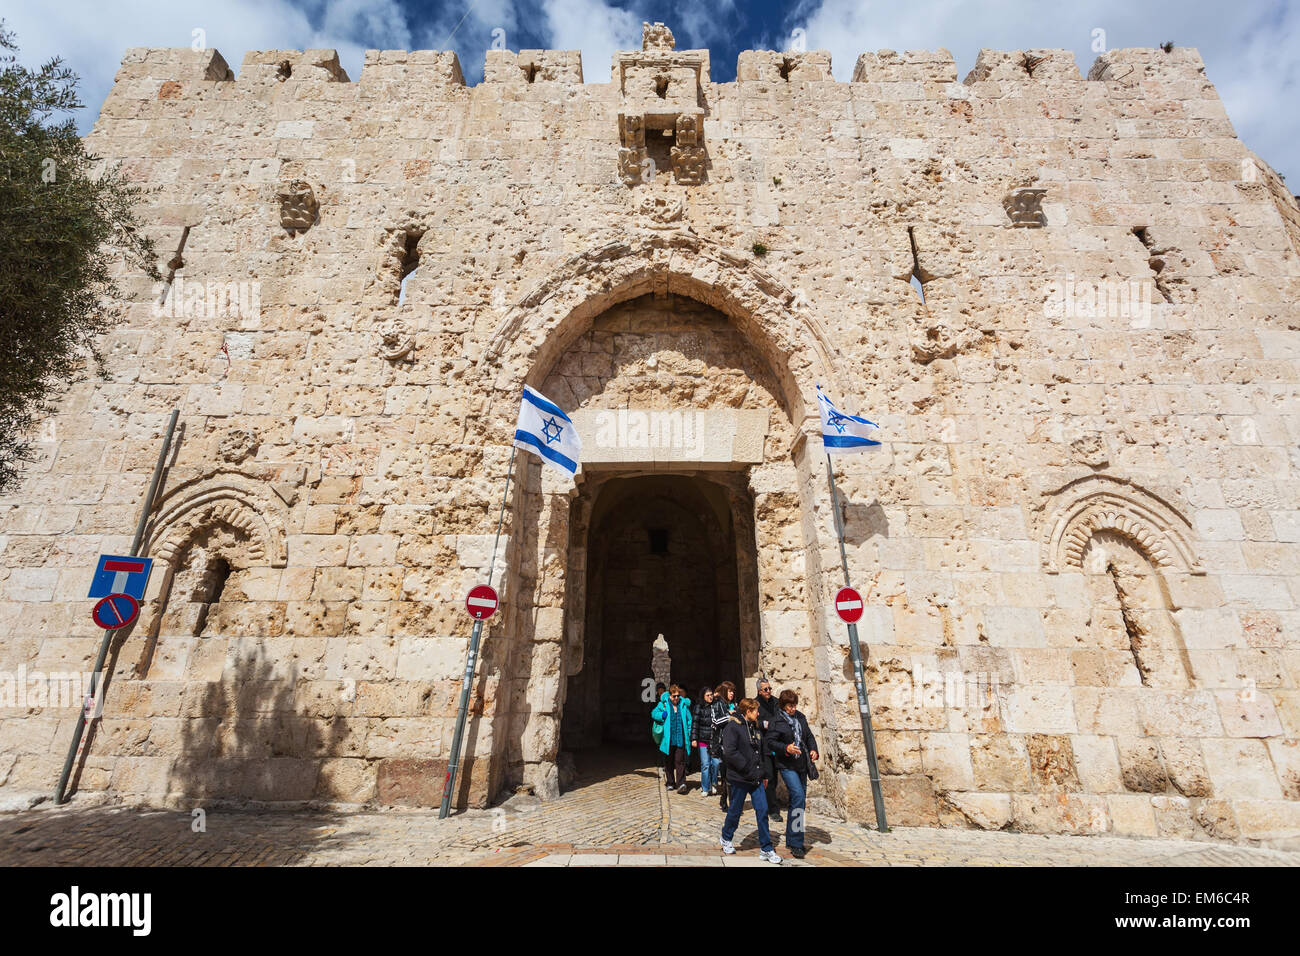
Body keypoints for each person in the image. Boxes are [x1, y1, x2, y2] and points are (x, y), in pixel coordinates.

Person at [719, 698, 781, 864]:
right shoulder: (732, 727)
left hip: (756, 778)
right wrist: (747, 768)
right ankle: (726, 837)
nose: (758, 714)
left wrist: (764, 774)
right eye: (755, 711)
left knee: (762, 811)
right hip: (740, 777)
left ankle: (766, 848)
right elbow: (730, 752)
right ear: (747, 711)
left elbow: (760, 752)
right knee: (735, 810)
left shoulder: (754, 727)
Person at [766, 689, 820, 859]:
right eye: (789, 705)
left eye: (794, 705)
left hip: (801, 764)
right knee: (797, 796)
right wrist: (786, 748)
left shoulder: (800, 717)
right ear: (783, 706)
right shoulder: (777, 721)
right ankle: (797, 843)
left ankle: (792, 837)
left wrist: (813, 749)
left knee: (799, 802)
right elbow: (770, 742)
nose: (793, 708)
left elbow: (809, 736)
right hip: (786, 765)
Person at [651, 684, 693, 793]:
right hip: (668, 739)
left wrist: (688, 733)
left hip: (680, 738)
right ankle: (670, 782)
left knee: (680, 761)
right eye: (674, 696)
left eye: (678, 696)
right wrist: (662, 715)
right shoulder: (663, 704)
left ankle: (681, 783)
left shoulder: (683, 705)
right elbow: (654, 713)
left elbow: (689, 720)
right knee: (668, 762)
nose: (676, 698)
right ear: (669, 695)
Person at [756, 678, 780, 821]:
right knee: (769, 777)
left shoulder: (776, 702)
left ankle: (771, 802)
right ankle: (772, 809)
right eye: (766, 689)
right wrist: (762, 723)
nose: (769, 691)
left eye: (770, 688)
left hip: (777, 744)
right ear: (759, 691)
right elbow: (751, 720)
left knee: (775, 777)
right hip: (764, 745)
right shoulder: (755, 704)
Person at [712, 681, 737, 808]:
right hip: (722, 744)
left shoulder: (733, 705)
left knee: (731, 774)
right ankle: (726, 800)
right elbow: (715, 721)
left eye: (733, 691)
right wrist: (729, 716)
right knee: (727, 774)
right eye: (729, 691)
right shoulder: (717, 704)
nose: (732, 693)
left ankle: (726, 799)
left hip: (733, 743)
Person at [693, 687, 718, 796]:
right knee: (705, 764)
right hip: (703, 740)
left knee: (716, 763)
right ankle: (705, 787)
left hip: (714, 740)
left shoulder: (716, 706)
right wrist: (694, 738)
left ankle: (714, 783)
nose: (710, 697)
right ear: (703, 696)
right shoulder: (699, 707)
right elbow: (695, 724)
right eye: (708, 695)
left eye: (711, 694)